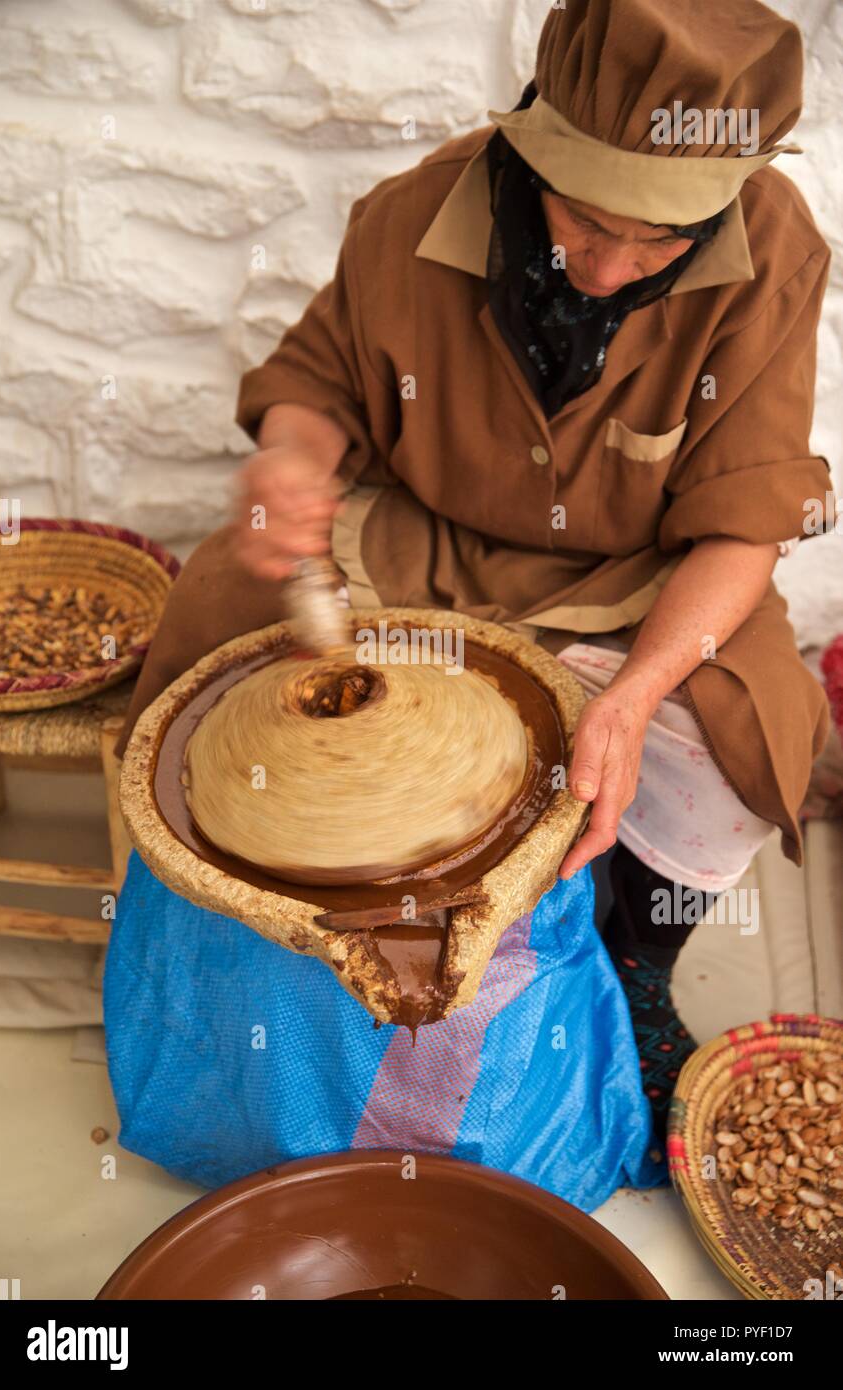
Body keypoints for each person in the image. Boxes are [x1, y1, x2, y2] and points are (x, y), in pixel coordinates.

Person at [115, 0, 834, 1140]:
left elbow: (741, 525)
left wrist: (635, 695)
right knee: (221, 626)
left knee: (744, 721)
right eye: (586, 221)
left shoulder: (774, 249)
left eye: (659, 239)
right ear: (531, 148)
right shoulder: (410, 215)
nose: (609, 268)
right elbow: (314, 384)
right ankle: (265, 968)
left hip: (635, 569)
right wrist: (286, 464)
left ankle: (631, 970)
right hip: (423, 545)